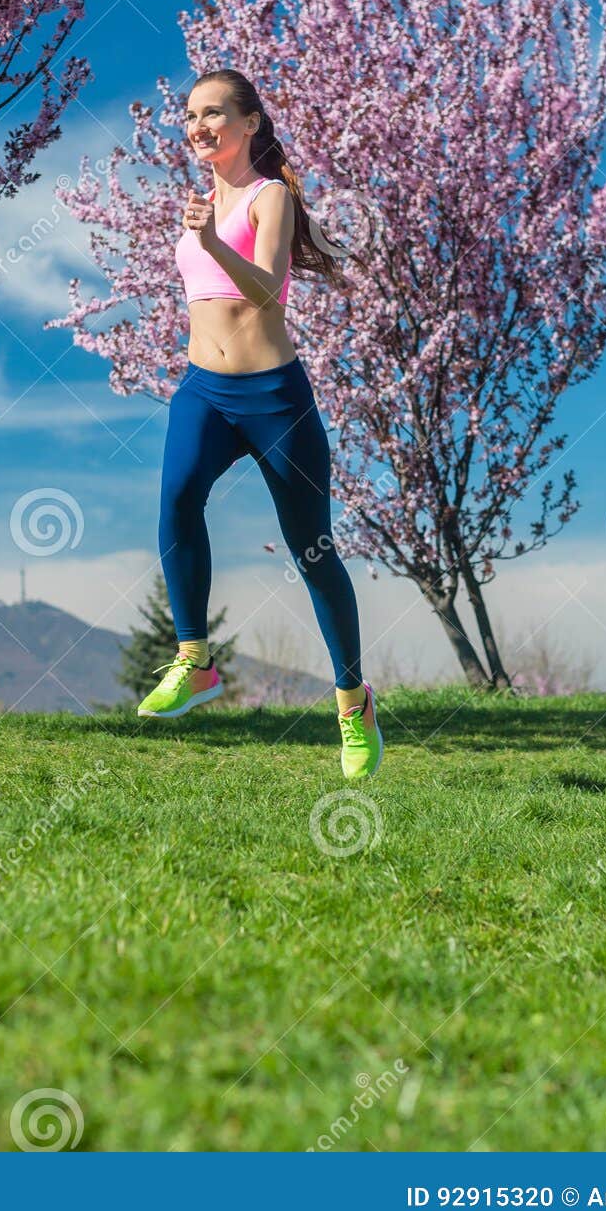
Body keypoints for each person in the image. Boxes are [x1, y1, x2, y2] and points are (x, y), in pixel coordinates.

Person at [137, 68, 383, 780]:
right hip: (202, 391)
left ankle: (351, 703)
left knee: (312, 550)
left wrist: (214, 241)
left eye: (213, 113)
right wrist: (203, 237)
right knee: (179, 496)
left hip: (274, 398)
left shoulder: (267, 197)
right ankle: (195, 661)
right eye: (190, 115)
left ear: (248, 124)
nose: (197, 126)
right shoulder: (198, 207)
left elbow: (268, 289)